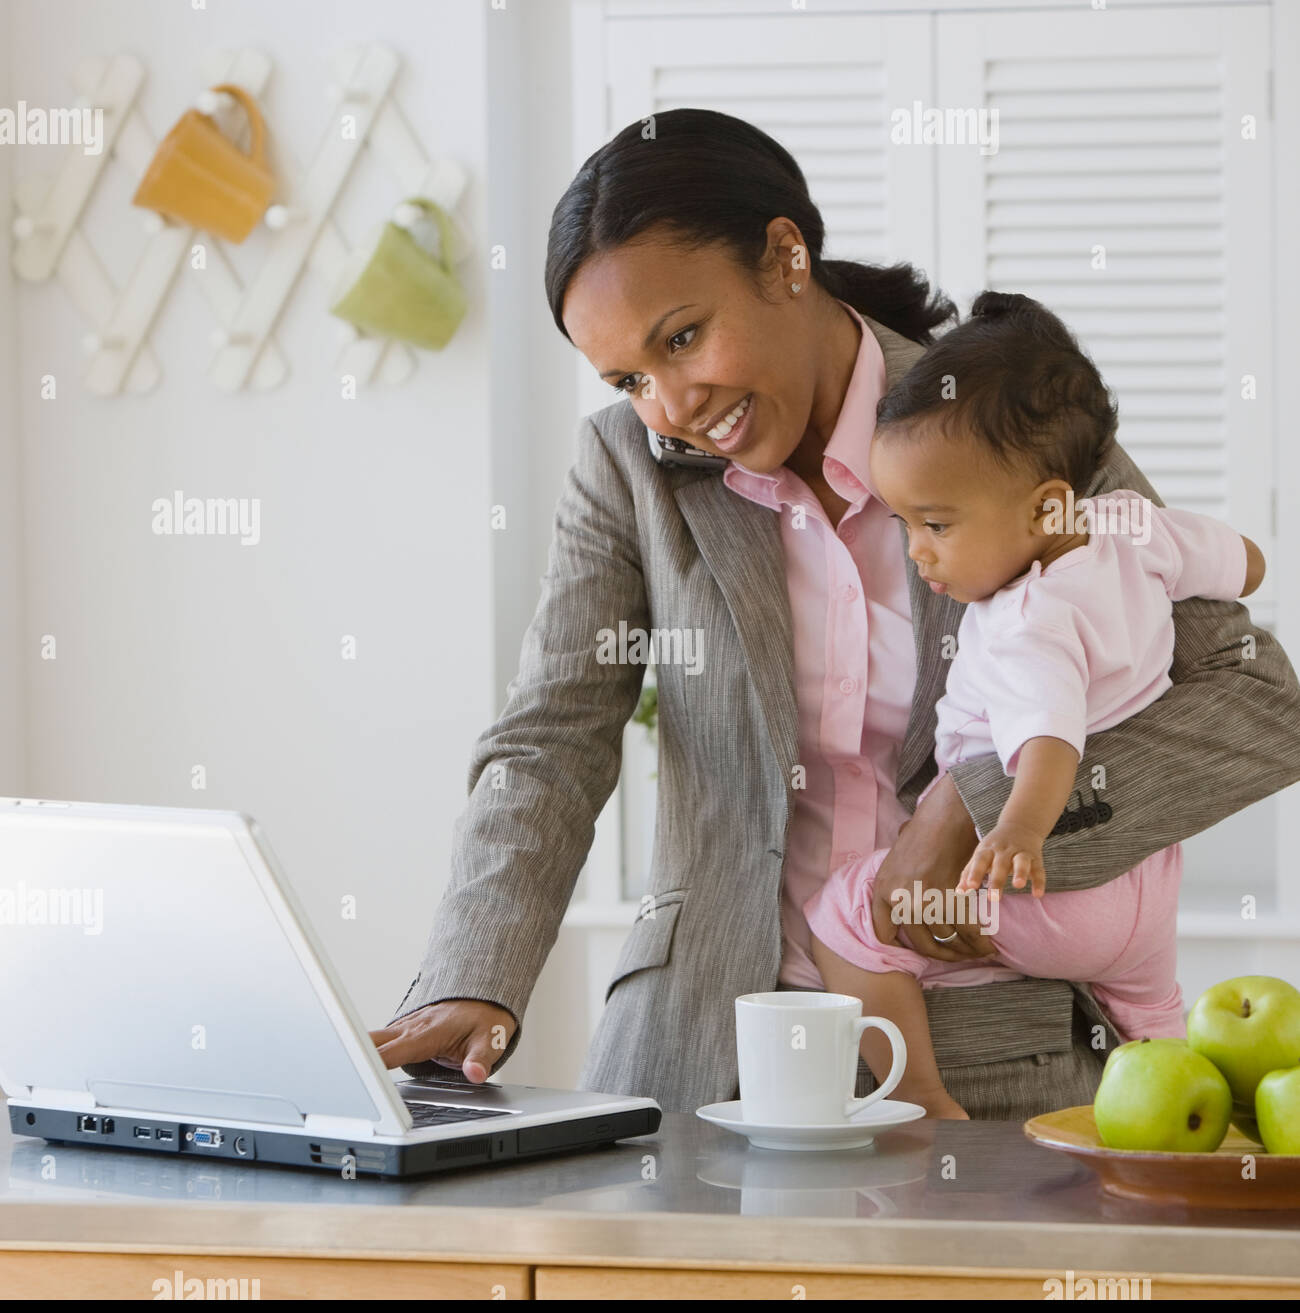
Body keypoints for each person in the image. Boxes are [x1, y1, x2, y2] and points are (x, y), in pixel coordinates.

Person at [370, 109, 1300, 1118]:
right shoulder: (626, 466)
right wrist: (474, 972)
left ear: (784, 257)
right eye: (630, 377)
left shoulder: (996, 419)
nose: (670, 405)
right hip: (701, 1059)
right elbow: (551, 736)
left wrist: (970, 803)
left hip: (994, 1058)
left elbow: (1257, 704)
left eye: (682, 338)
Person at [803, 291, 1267, 1120]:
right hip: (1146, 882)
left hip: (1046, 890)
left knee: (842, 913)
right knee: (1155, 1027)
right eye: (906, 521)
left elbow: (1048, 738)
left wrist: (1015, 831)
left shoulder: (1022, 624)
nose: (917, 550)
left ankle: (916, 1097)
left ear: (1046, 505)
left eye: (937, 524)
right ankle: (1212, 1120)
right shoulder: (1132, 527)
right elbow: (1246, 565)